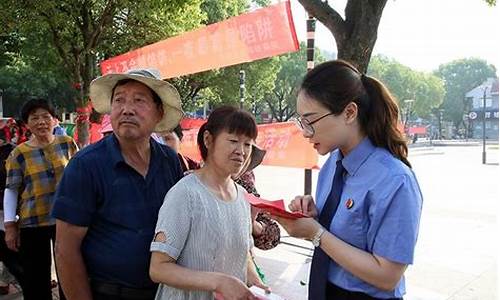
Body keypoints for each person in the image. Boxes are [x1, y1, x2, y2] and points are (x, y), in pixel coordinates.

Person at [273, 60, 423, 300]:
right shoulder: (333, 163)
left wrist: (316, 234)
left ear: (349, 113)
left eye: (310, 121)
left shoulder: (395, 180)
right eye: (301, 122)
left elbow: (387, 276)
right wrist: (314, 216)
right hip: (323, 289)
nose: (304, 132)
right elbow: (339, 230)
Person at [52, 68, 184, 300]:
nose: (127, 109)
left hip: (165, 292)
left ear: (159, 113)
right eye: (119, 100)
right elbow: (65, 250)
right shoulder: (85, 165)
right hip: (108, 293)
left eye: (139, 100)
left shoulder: (169, 160)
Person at [149, 106, 268, 300]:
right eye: (233, 141)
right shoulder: (185, 194)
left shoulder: (243, 197)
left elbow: (242, 253)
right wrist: (218, 282)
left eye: (247, 144)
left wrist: (256, 284)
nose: (241, 151)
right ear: (208, 140)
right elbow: (159, 268)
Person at [3, 98, 78, 300]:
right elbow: (11, 190)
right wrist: (10, 227)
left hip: (66, 220)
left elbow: (80, 179)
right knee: (36, 279)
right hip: (32, 222)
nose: (41, 122)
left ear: (55, 120)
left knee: (69, 274)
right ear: (27, 124)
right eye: (34, 118)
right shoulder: (19, 153)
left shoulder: (68, 144)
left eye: (46, 116)